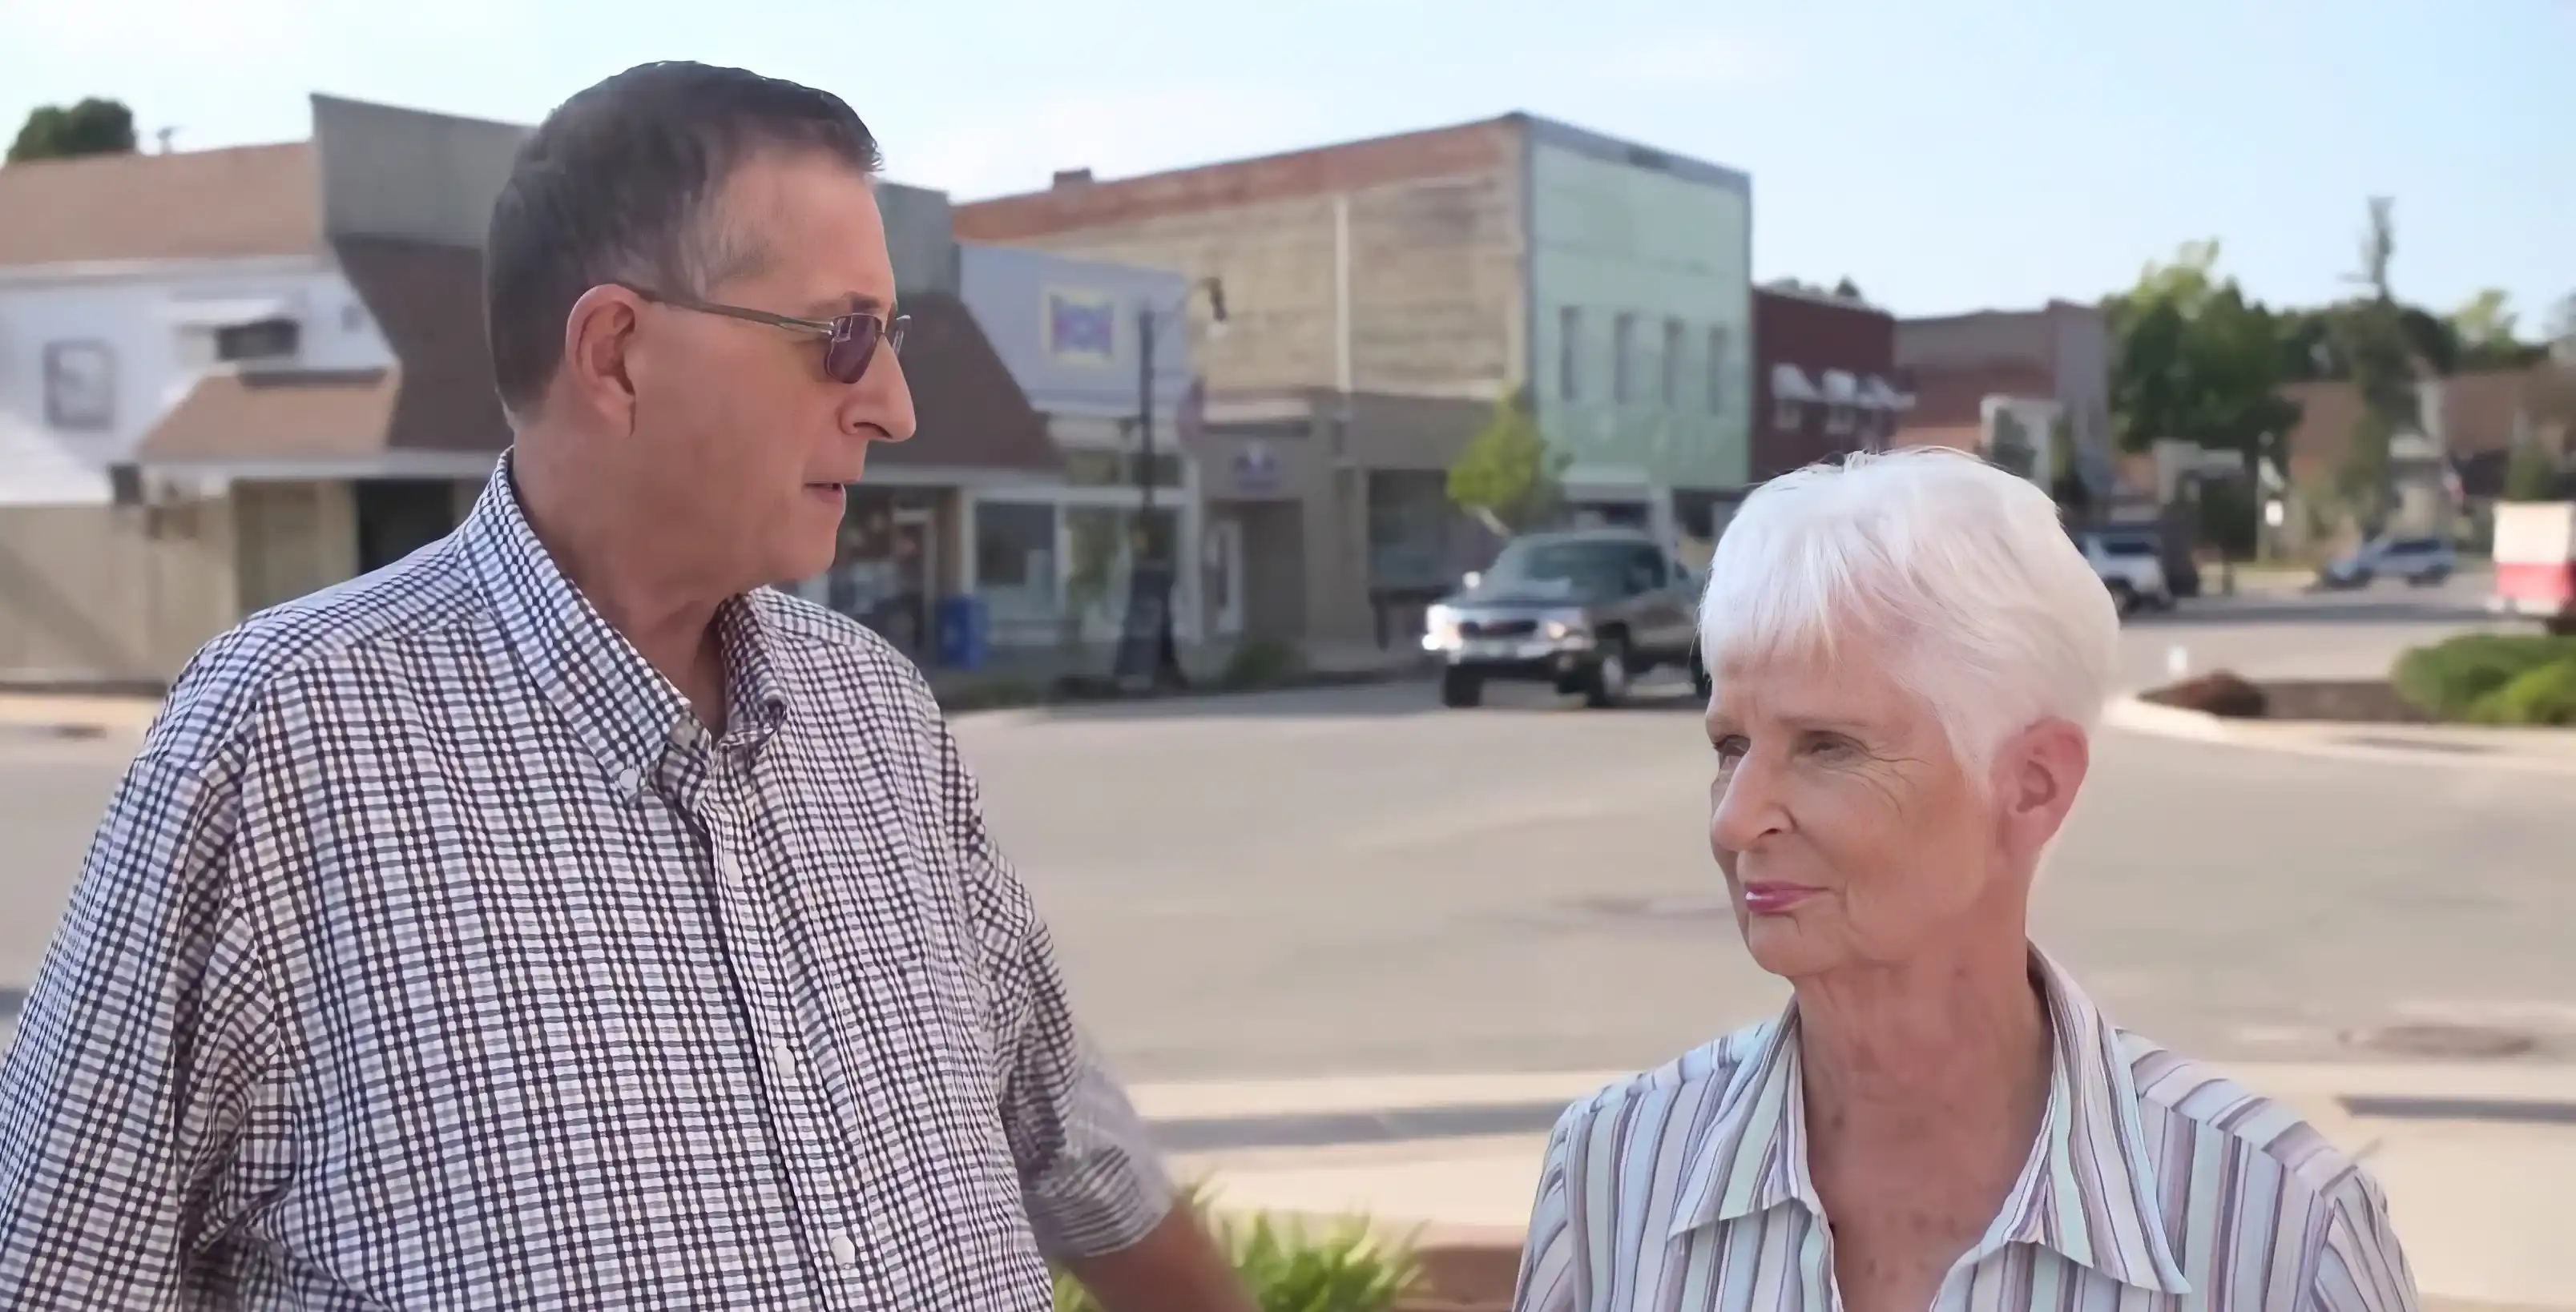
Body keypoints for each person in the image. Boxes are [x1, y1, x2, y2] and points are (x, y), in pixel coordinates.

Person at [0, 62, 1253, 1312]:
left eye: (894, 336)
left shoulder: (878, 716)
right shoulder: (284, 739)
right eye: (843, 335)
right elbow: (54, 1263)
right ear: (615, 353)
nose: (893, 406)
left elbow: (1067, 1135)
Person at [1510, 449, 2418, 1312]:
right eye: (1729, 747)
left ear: (2031, 785)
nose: (1734, 820)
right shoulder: (1612, 1172)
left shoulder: (2281, 1231)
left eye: (1827, 748)